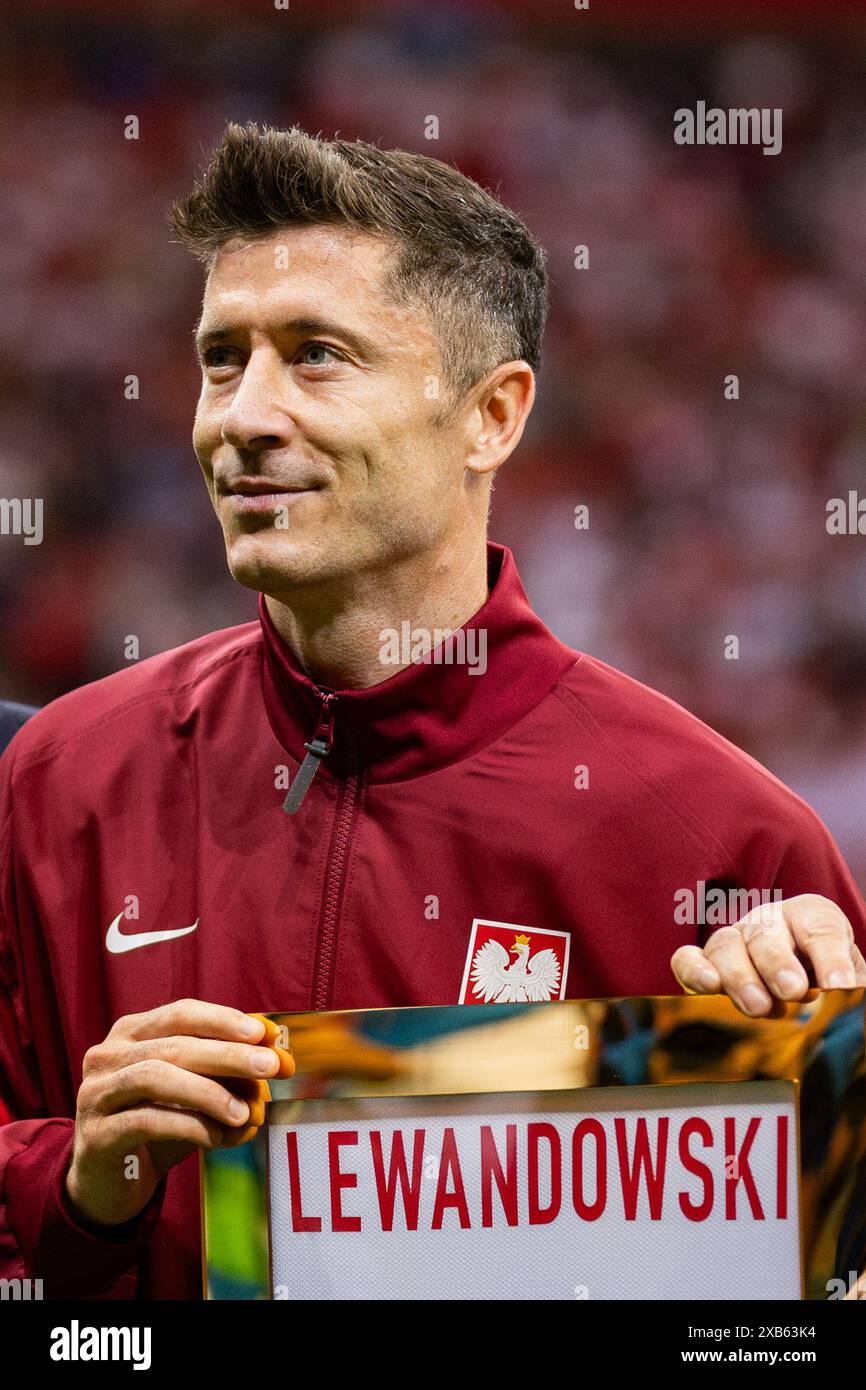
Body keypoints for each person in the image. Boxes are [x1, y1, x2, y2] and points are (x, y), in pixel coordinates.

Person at [1, 123, 864, 1300]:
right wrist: (74, 1190)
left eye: (315, 356)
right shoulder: (61, 778)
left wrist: (804, 1098)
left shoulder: (724, 845)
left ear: (489, 416)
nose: (241, 416)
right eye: (221, 359)